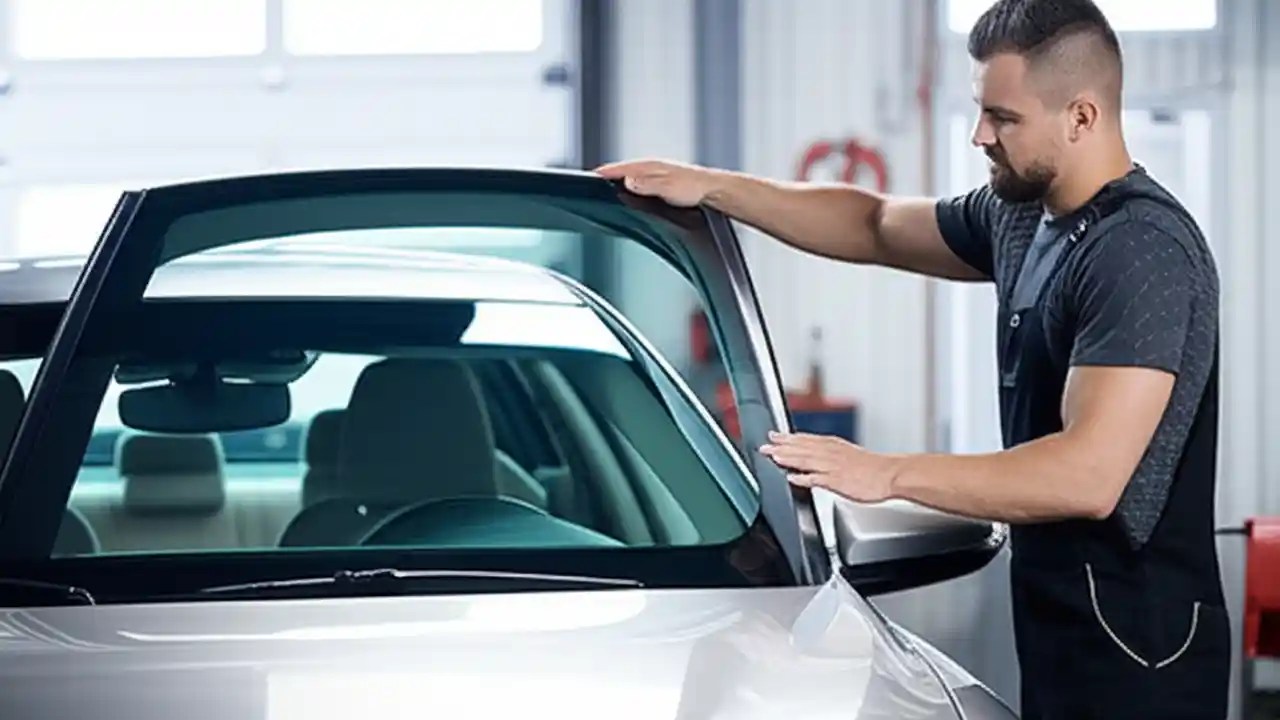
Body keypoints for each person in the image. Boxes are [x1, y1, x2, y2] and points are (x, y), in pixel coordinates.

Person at [595, 0, 1228, 717]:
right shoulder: (1022, 215)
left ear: (1081, 117)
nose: (978, 134)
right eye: (980, 110)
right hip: (1062, 624)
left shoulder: (1140, 252)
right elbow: (874, 225)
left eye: (1004, 118)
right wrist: (715, 188)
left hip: (1142, 648)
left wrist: (886, 472)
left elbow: (1087, 475)